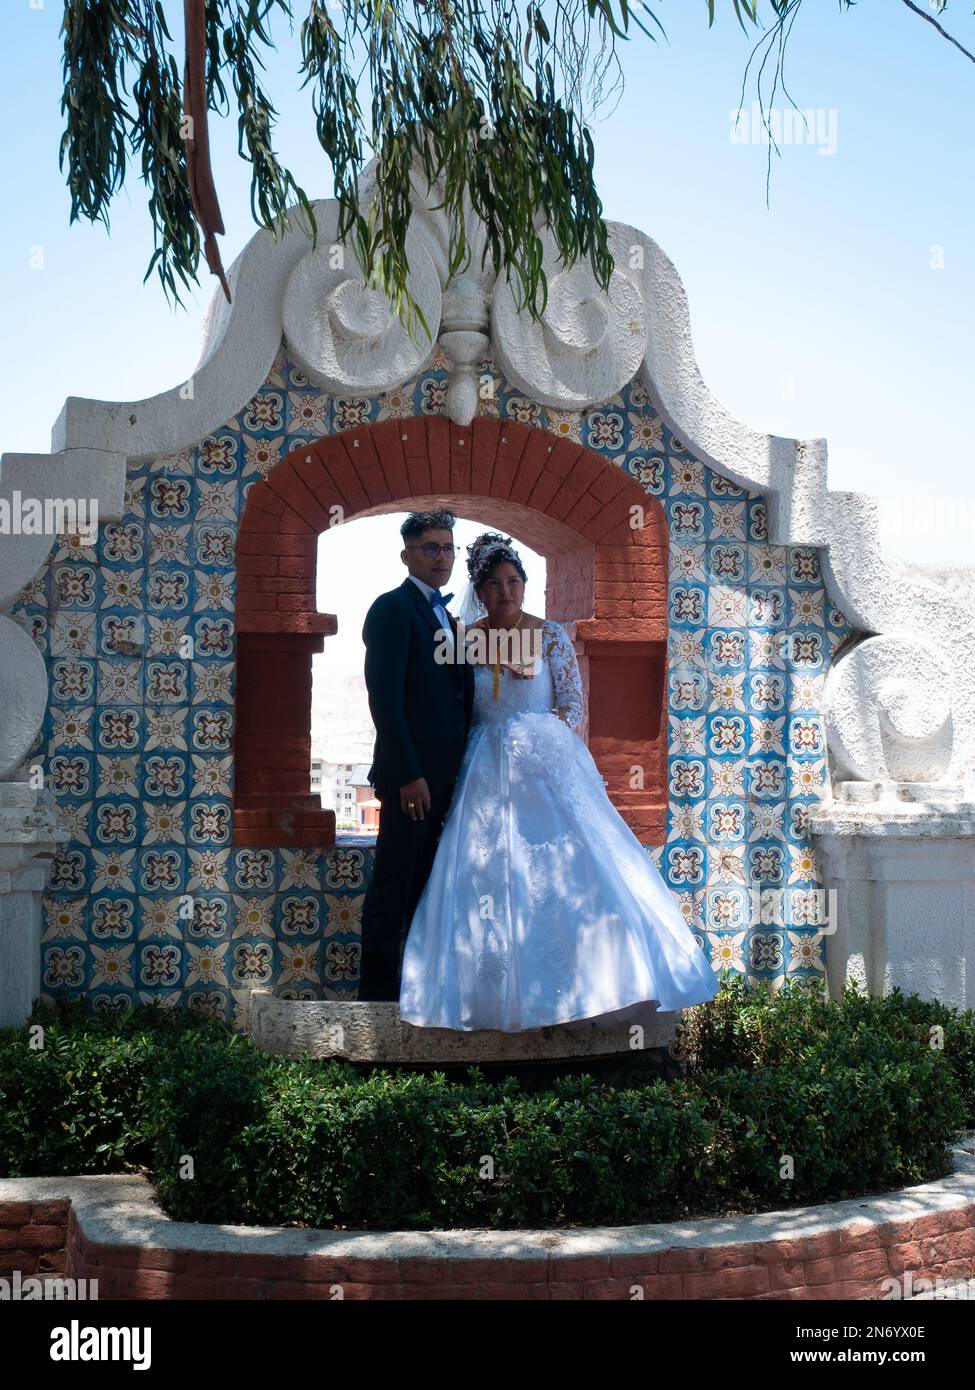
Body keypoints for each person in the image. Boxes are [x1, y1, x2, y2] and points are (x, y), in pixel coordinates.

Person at [398, 531, 719, 1032]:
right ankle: (490, 998)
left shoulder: (550, 635)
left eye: (513, 581)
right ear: (478, 591)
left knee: (561, 877)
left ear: (524, 585)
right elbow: (450, 708)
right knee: (482, 876)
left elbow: (572, 704)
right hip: (481, 774)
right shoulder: (462, 639)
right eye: (494, 584)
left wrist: (535, 738)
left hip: (542, 771)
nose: (505, 591)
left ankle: (589, 993)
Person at [357, 510, 474, 1001]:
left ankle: (421, 994)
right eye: (431, 547)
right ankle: (377, 1000)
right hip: (412, 783)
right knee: (395, 884)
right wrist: (408, 774)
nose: (441, 557)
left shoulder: (447, 616)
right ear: (407, 554)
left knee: (429, 888)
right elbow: (385, 698)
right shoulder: (391, 609)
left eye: (448, 548)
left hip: (449, 781)